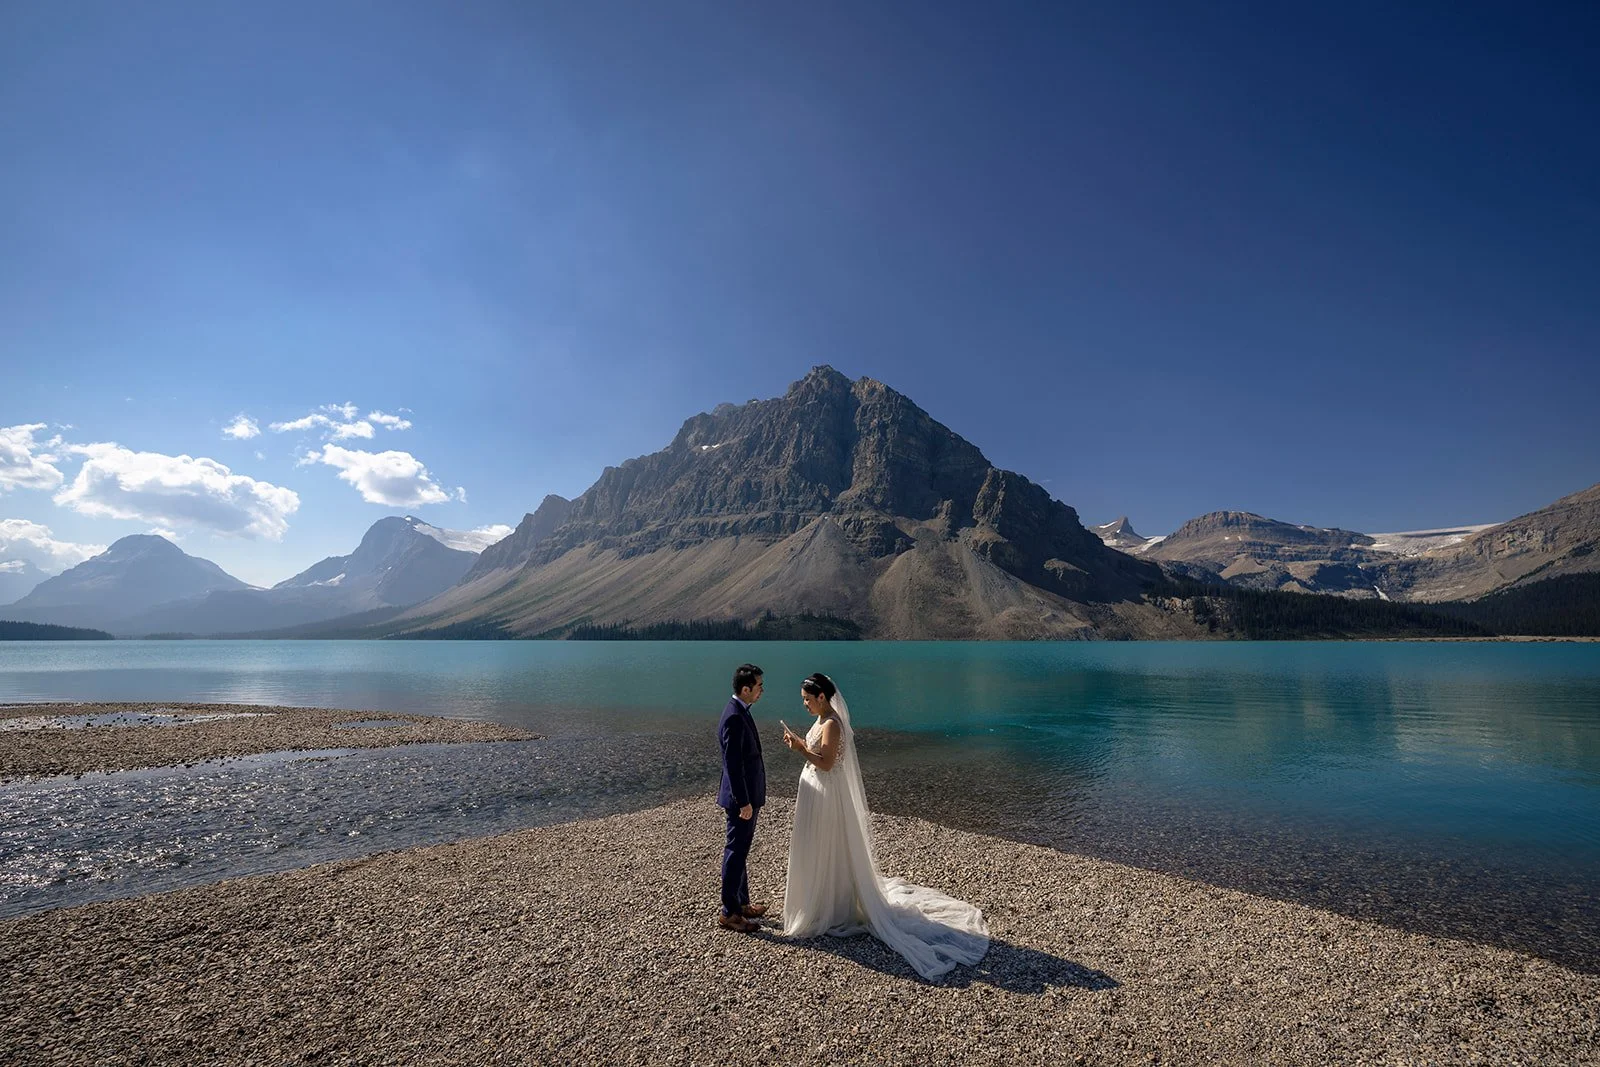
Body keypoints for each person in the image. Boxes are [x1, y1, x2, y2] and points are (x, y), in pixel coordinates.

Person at [780, 672, 989, 980]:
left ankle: (832, 905)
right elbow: (820, 755)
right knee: (820, 846)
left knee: (829, 845)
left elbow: (826, 763)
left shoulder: (832, 724)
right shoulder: (822, 719)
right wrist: (801, 745)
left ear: (822, 697)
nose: (805, 704)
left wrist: (800, 748)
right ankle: (822, 898)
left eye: (808, 699)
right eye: (804, 700)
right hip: (819, 793)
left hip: (828, 797)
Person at [716, 663, 768, 933]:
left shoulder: (740, 710)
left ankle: (742, 902)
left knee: (741, 850)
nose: (762, 690)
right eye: (759, 686)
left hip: (746, 796)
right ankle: (730, 913)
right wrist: (743, 801)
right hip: (741, 800)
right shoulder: (734, 717)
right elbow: (733, 765)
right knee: (735, 852)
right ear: (746, 689)